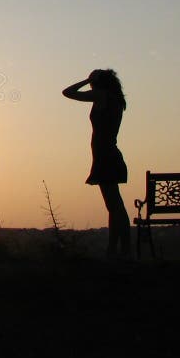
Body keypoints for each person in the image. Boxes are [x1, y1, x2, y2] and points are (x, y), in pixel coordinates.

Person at [62, 69, 130, 258]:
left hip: (105, 156)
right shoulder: (116, 99)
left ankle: (124, 251)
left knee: (115, 206)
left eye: (93, 79)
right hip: (110, 155)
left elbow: (68, 92)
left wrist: (86, 80)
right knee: (114, 206)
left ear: (97, 81)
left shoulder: (101, 95)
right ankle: (114, 249)